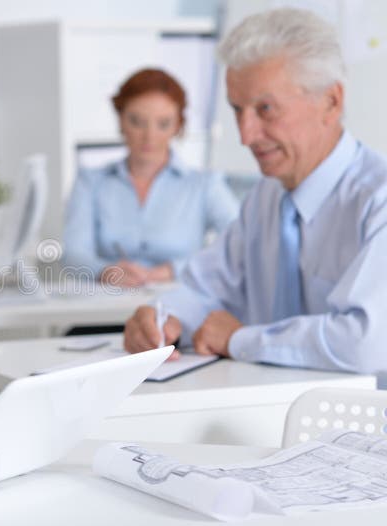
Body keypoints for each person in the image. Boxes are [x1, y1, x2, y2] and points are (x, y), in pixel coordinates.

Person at [124, 9, 387, 375]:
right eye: (237, 111)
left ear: (331, 101)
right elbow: (206, 287)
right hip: (263, 413)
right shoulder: (266, 198)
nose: (246, 136)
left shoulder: (379, 200)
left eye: (265, 109)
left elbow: (367, 343)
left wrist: (240, 339)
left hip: (365, 425)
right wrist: (161, 316)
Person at [62, 68, 239, 287]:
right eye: (137, 121)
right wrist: (105, 271)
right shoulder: (90, 182)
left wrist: (173, 270)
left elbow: (238, 244)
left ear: (178, 126)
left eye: (163, 124)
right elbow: (73, 252)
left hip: (180, 305)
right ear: (120, 120)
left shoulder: (204, 185)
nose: (149, 136)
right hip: (105, 307)